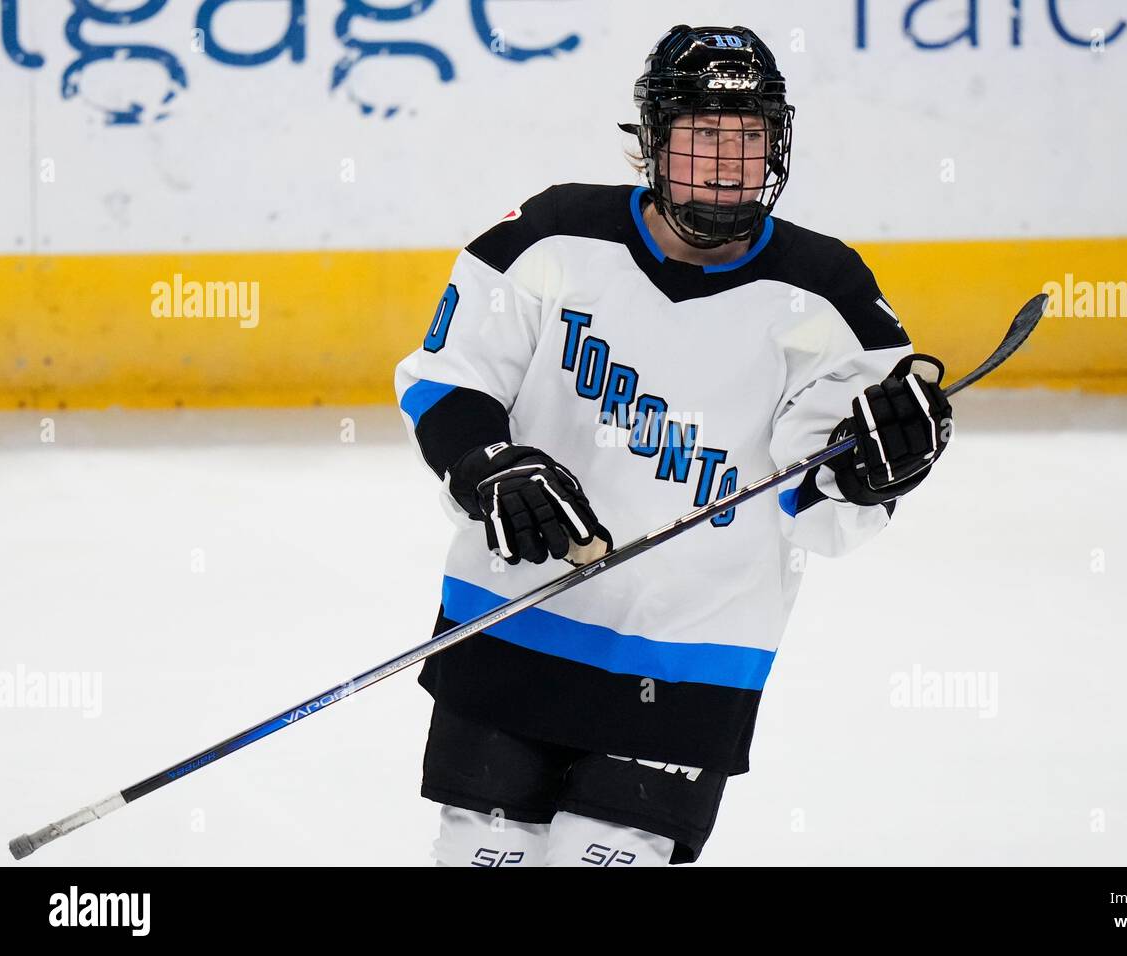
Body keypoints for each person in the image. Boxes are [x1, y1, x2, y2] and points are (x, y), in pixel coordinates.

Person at [394, 24, 952, 866]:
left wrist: (872, 475)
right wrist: (486, 466)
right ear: (651, 142)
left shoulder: (829, 295)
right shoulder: (549, 236)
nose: (727, 164)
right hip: (513, 623)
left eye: (748, 138)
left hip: (696, 658)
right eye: (701, 136)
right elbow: (449, 378)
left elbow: (821, 497)